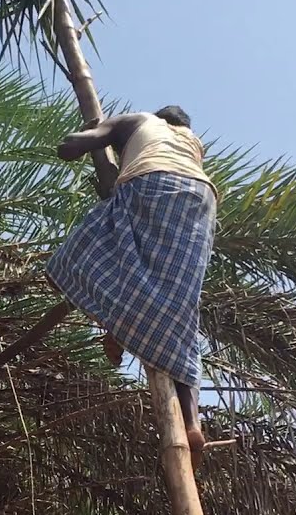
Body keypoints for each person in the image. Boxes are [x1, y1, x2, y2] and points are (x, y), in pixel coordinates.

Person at [45, 106, 219, 454]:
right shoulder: (193, 144)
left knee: (71, 259)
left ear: (161, 117)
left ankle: (118, 328)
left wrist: (87, 137)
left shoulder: (141, 120)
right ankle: (191, 422)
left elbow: (77, 143)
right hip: (201, 200)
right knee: (179, 310)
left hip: (154, 183)